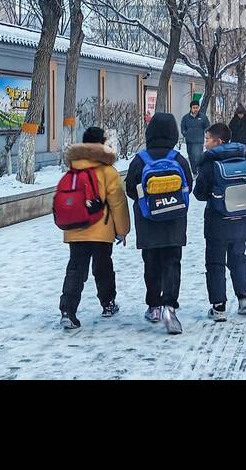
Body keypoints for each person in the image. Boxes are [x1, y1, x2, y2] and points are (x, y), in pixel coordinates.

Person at [125, 113, 194, 335]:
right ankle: (170, 306)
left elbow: (129, 190)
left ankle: (153, 306)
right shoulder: (178, 159)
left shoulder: (140, 160)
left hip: (148, 223)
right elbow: (188, 186)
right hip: (174, 221)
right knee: (173, 263)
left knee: (151, 263)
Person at [58, 127, 131, 331]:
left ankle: (68, 311)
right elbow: (118, 203)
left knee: (75, 269)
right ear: (102, 144)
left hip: (76, 229)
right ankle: (108, 304)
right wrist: (123, 230)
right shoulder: (107, 171)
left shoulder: (73, 169)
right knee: (103, 268)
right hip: (101, 230)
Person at [193, 123, 246, 320]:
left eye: (207, 140)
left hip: (217, 221)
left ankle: (219, 306)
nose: (205, 144)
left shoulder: (209, 163)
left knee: (215, 263)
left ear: (218, 141)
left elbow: (200, 193)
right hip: (242, 218)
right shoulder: (244, 157)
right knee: (238, 257)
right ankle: (244, 298)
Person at [182, 99, 209, 169]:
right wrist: (185, 133)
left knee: (198, 157)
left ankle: (199, 171)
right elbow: (183, 128)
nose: (195, 109)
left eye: (197, 107)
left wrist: (205, 134)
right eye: (194, 108)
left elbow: (207, 127)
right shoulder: (185, 118)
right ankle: (194, 171)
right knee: (191, 157)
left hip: (199, 142)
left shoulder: (203, 117)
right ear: (191, 108)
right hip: (189, 141)